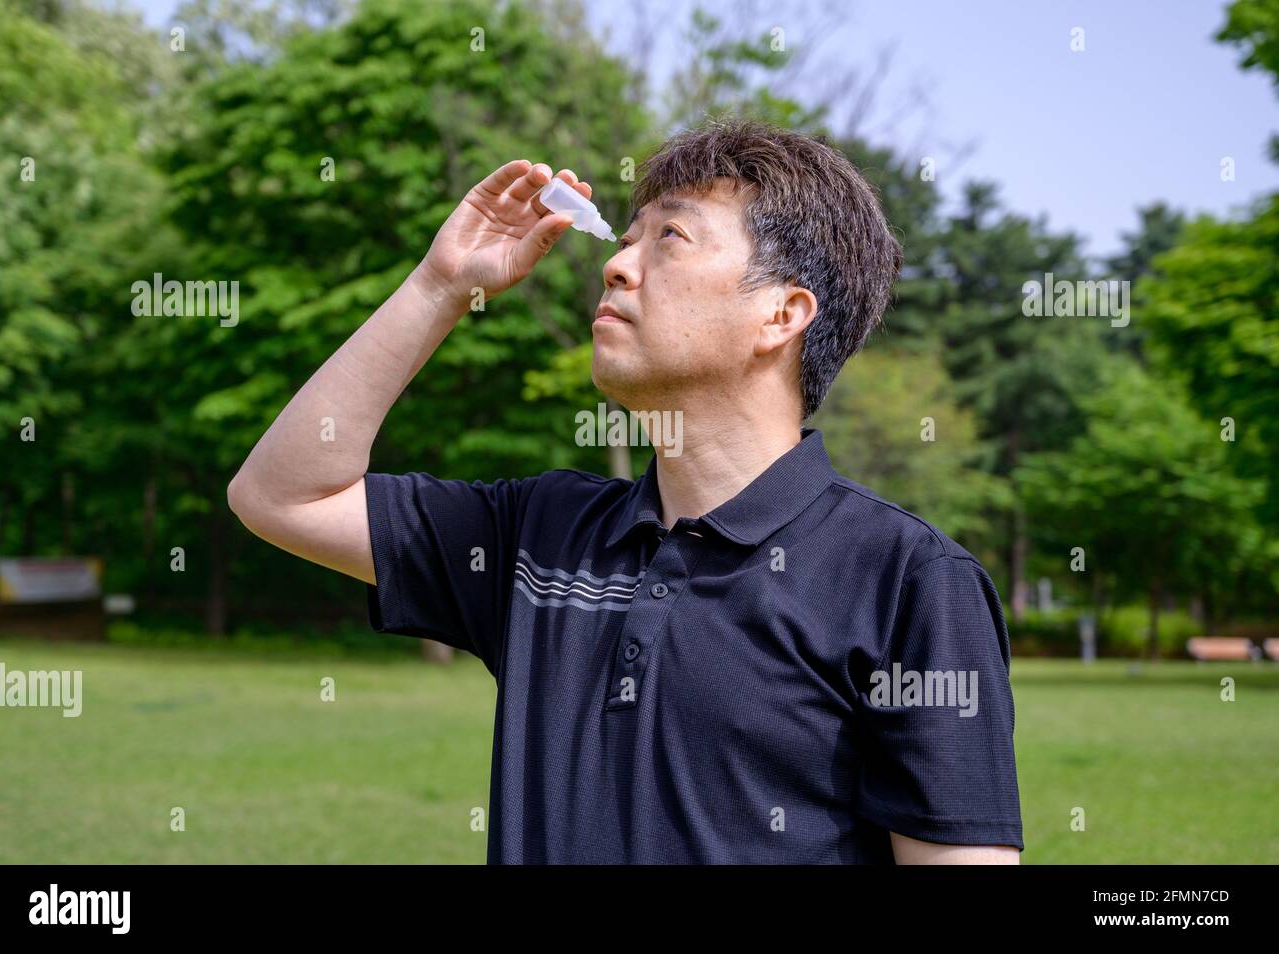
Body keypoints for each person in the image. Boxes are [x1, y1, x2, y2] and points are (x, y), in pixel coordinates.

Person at [228, 119, 1024, 864]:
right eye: (628, 236)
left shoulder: (909, 583)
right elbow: (280, 495)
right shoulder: (537, 536)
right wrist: (440, 286)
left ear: (782, 314)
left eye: (671, 237)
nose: (616, 263)